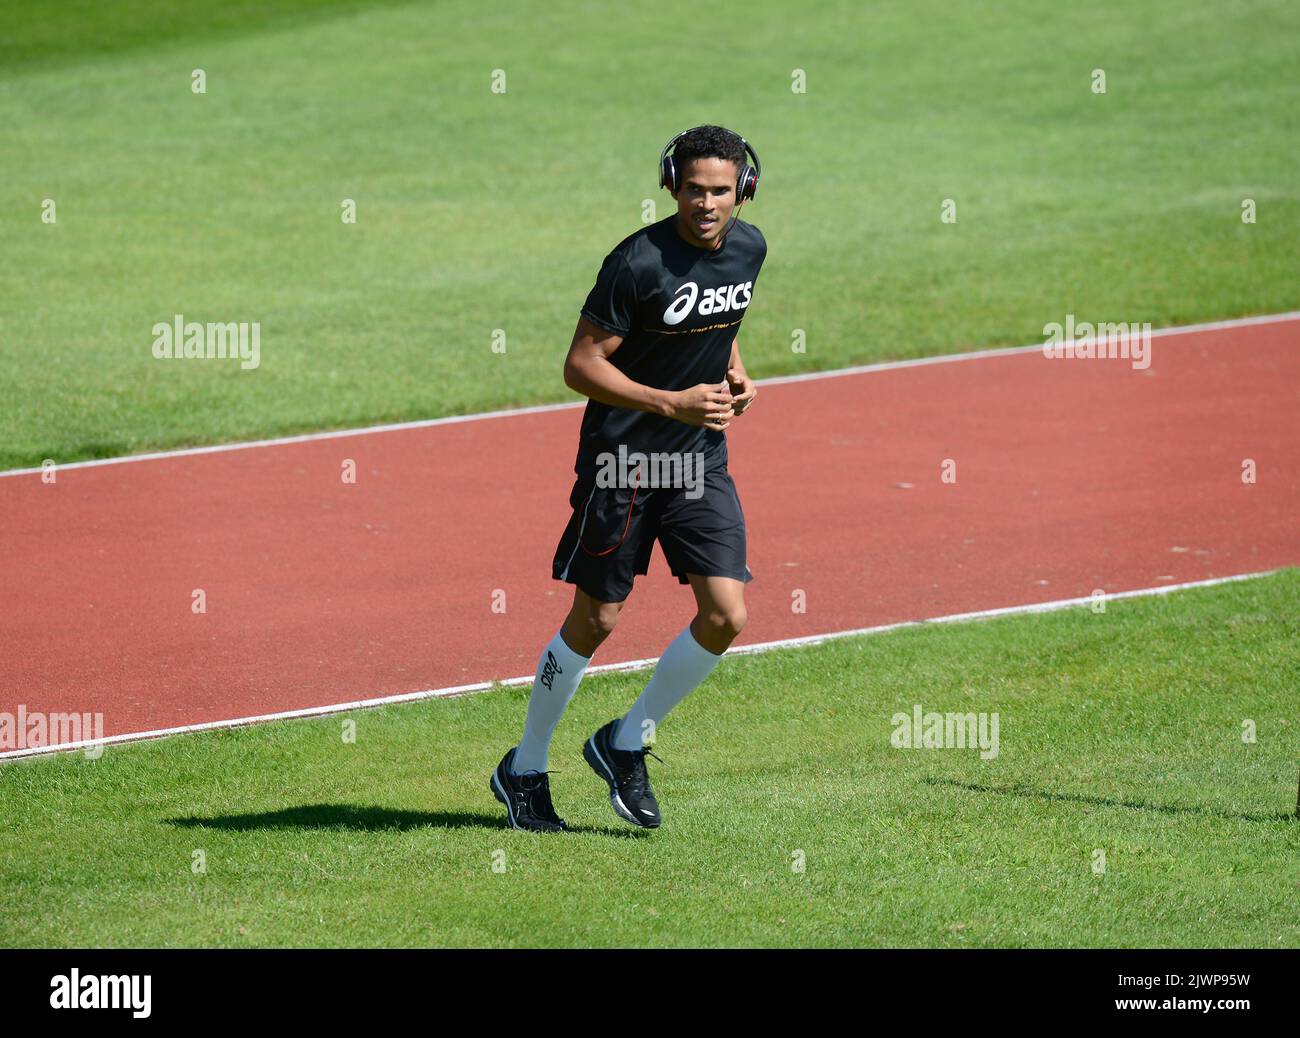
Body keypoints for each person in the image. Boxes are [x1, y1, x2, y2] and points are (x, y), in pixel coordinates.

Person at [491, 124, 767, 832]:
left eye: (721, 192)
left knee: (726, 614)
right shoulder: (636, 261)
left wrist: (733, 368)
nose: (707, 204)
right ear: (672, 182)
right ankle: (524, 768)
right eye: (695, 189)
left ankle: (624, 739)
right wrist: (670, 400)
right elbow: (579, 364)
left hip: (698, 459)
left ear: (744, 191)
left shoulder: (750, 249)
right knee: (598, 619)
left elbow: (717, 314)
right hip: (623, 462)